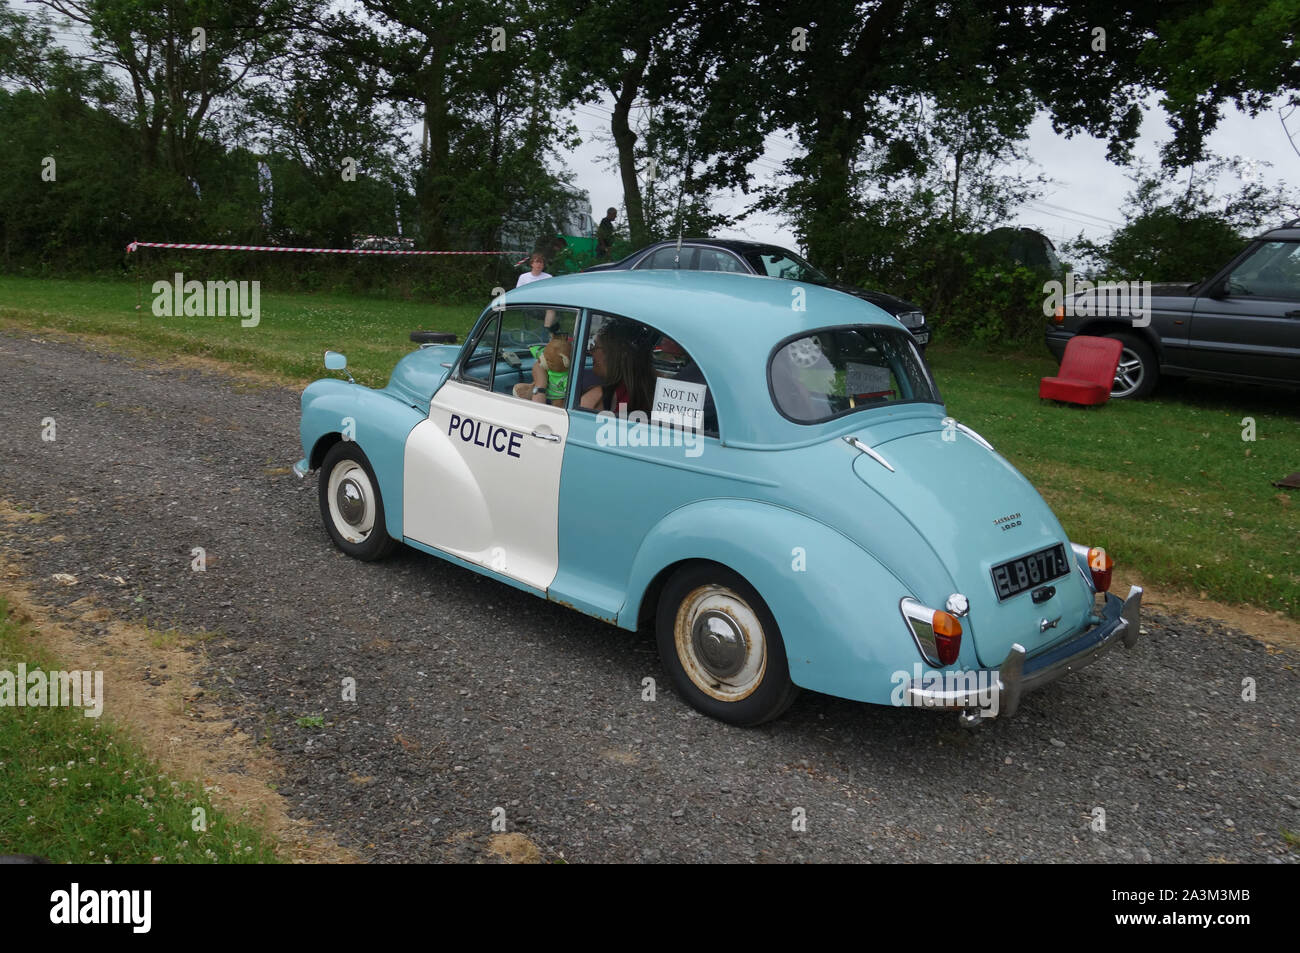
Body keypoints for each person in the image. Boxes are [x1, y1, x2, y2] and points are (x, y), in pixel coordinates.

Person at [580, 318, 654, 415]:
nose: (590, 352)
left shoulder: (597, 398)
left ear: (614, 355)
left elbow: (562, 423)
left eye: (595, 347)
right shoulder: (652, 389)